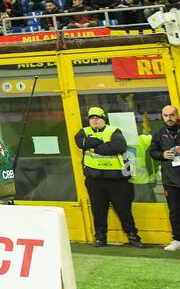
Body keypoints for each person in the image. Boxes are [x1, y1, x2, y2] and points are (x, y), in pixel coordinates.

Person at [74, 107, 144, 247]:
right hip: (94, 180)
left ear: (103, 119)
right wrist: (102, 143)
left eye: (98, 117)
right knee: (98, 211)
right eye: (92, 117)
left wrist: (96, 147)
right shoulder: (84, 131)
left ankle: (133, 236)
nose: (94, 119)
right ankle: (100, 237)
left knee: (124, 210)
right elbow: (80, 143)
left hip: (116, 180)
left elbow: (118, 146)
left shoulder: (113, 130)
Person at [146, 104, 180, 250]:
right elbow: (152, 152)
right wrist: (163, 155)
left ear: (177, 115)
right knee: (175, 212)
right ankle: (178, 240)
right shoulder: (158, 133)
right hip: (170, 181)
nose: (169, 118)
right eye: (165, 115)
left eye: (172, 115)